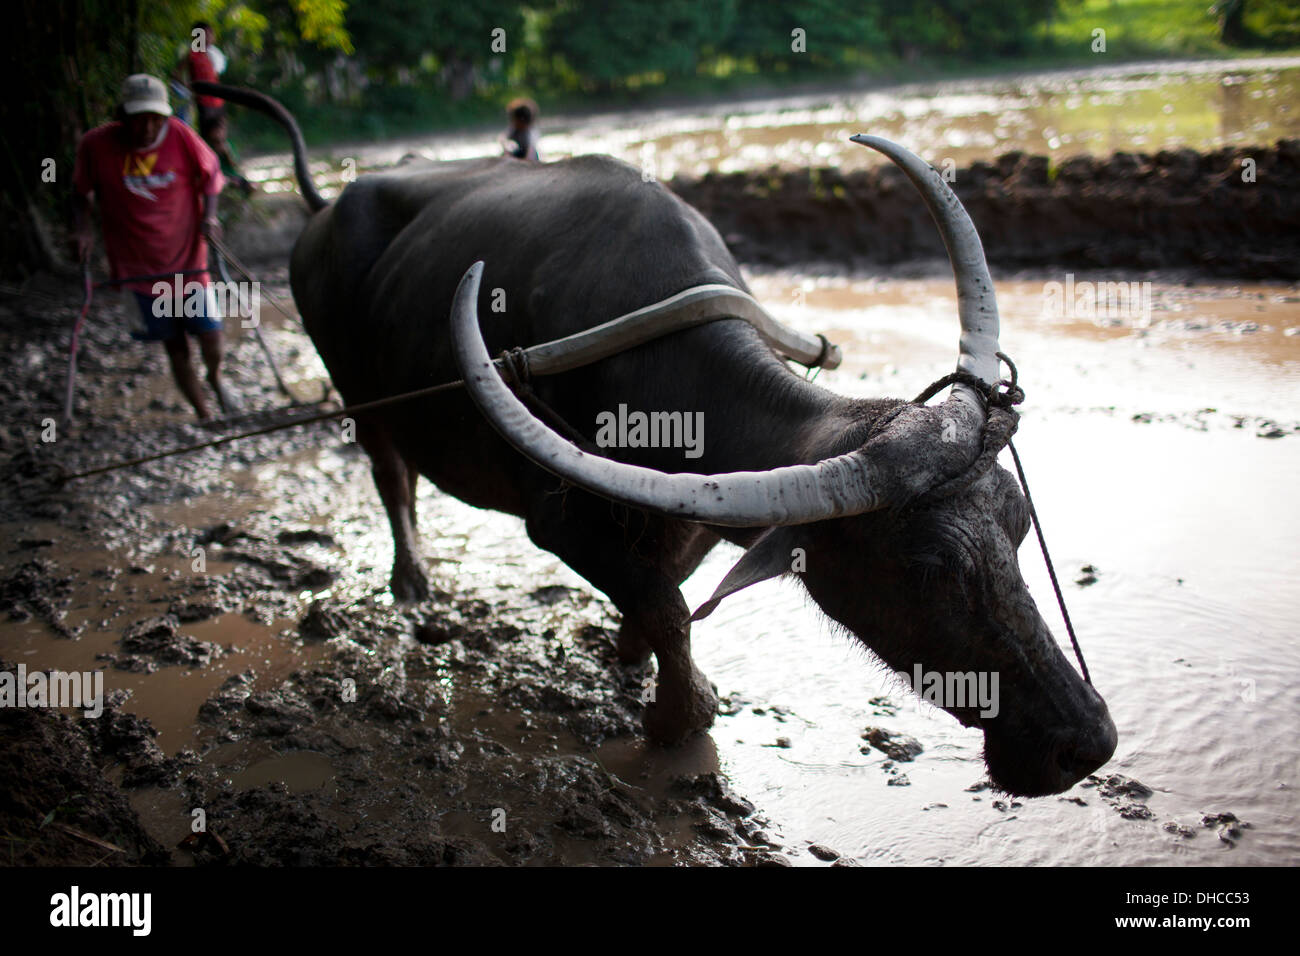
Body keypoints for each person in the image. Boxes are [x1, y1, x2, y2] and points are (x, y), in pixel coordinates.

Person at [72, 74, 235, 421]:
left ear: (164, 117)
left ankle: (216, 378)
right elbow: (81, 191)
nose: (147, 128)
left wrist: (211, 217)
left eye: (154, 119)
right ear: (123, 116)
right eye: (139, 118)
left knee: (211, 335)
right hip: (139, 267)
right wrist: (82, 231)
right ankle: (204, 414)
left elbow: (211, 175)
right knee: (175, 346)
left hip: (188, 260)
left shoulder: (180, 136)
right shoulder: (95, 145)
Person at [181, 20, 253, 194]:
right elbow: (178, 74)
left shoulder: (212, 55)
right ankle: (221, 179)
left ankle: (232, 177)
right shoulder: (193, 55)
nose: (209, 38)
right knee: (213, 142)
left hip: (217, 103)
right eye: (205, 34)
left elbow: (216, 76)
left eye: (210, 34)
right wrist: (190, 89)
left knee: (220, 139)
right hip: (204, 105)